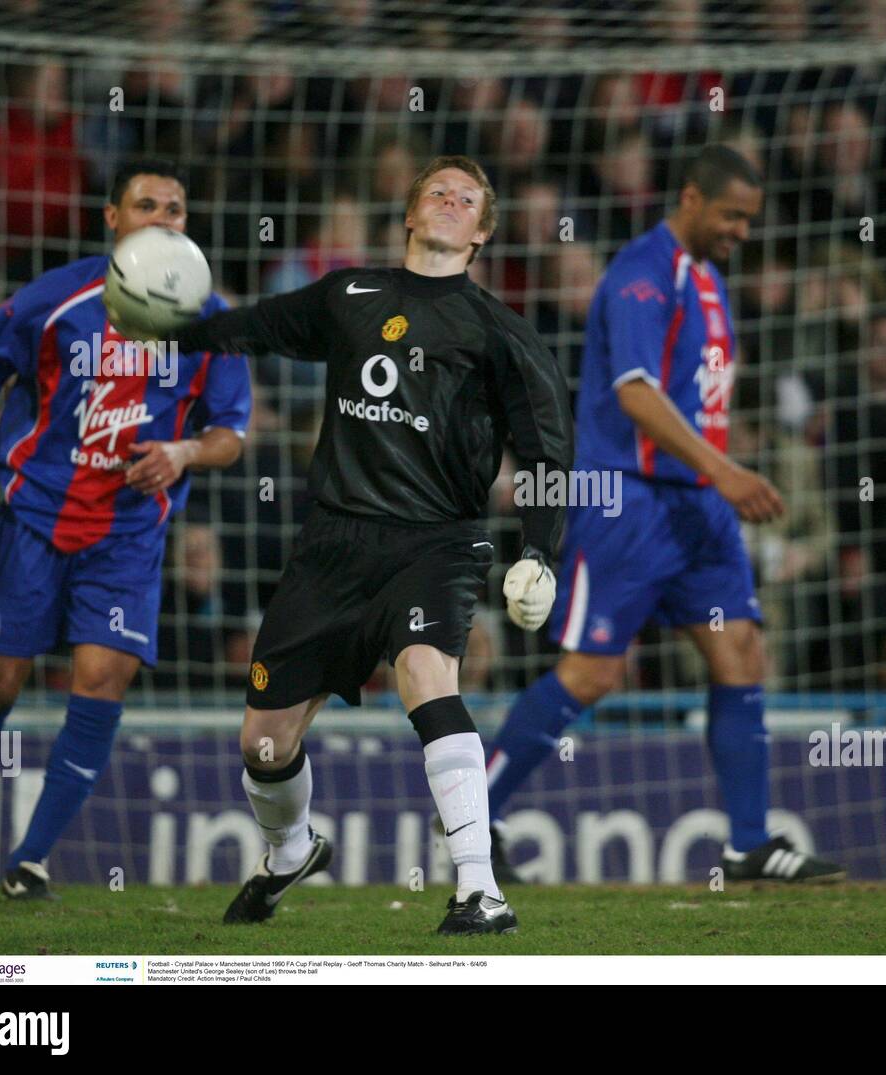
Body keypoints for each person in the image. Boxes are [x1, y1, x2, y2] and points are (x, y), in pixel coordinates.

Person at [169, 155, 573, 935]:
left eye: (467, 199)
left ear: (482, 232)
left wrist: (540, 550)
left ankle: (480, 889)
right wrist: (177, 331)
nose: (450, 202)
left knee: (426, 677)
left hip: (436, 543)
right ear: (412, 214)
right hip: (331, 544)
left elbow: (549, 453)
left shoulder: (500, 332)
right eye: (437, 192)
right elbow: (258, 325)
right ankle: (289, 851)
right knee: (262, 743)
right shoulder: (349, 295)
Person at [485, 144, 845, 883]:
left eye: (750, 219)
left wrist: (715, 471)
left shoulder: (709, 280)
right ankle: (473, 810)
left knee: (741, 650)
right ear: (689, 198)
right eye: (731, 215)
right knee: (591, 673)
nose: (742, 230)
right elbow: (635, 391)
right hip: (629, 503)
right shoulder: (640, 276)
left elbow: (695, 395)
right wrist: (727, 468)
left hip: (698, 507)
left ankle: (748, 841)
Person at [0, 159, 251, 896]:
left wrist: (186, 449)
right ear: (112, 217)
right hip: (34, 518)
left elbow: (232, 430)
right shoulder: (59, 298)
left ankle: (30, 859)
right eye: (147, 204)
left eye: (176, 207)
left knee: (101, 677)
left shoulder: (210, 317)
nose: (165, 218)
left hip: (129, 534)